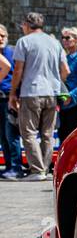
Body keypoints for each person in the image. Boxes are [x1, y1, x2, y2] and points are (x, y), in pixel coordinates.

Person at [7, 11, 69, 181]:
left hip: (31, 91)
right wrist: (55, 81)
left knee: (28, 132)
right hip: (52, 92)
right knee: (47, 133)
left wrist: (13, 93)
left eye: (23, 25)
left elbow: (18, 70)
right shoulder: (55, 43)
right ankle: (45, 169)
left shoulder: (24, 41)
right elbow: (65, 70)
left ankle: (37, 170)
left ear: (27, 25)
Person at [0, 24, 22, 180]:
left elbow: (19, 74)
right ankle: (9, 166)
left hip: (10, 97)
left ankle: (16, 167)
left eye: (2, 36)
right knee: (3, 135)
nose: (0, 39)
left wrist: (16, 96)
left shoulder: (12, 52)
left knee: (11, 134)